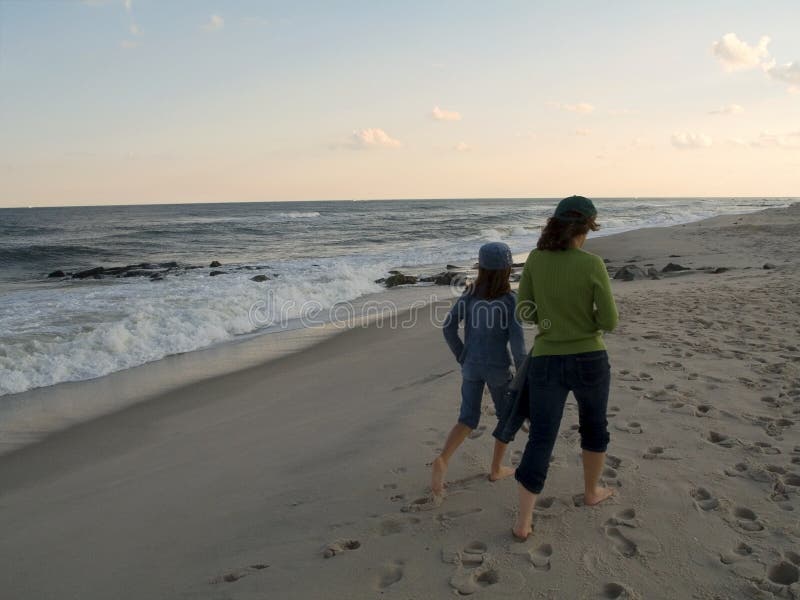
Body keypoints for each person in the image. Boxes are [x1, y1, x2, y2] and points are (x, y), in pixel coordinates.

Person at [512, 195, 618, 541]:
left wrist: (549, 320)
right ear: (587, 226)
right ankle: (591, 492)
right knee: (594, 425)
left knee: (542, 435)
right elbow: (610, 321)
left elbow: (523, 312)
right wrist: (584, 323)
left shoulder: (535, 260)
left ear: (555, 223)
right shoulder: (592, 264)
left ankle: (524, 520)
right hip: (590, 357)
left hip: (545, 359)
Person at [433, 241, 527, 498]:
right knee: (505, 417)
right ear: (507, 270)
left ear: (481, 268)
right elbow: (519, 349)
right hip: (498, 368)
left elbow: (448, 327)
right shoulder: (510, 301)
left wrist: (461, 354)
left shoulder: (469, 295)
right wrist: (522, 376)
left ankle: (443, 459)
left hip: (471, 366)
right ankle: (496, 468)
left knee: (467, 418)